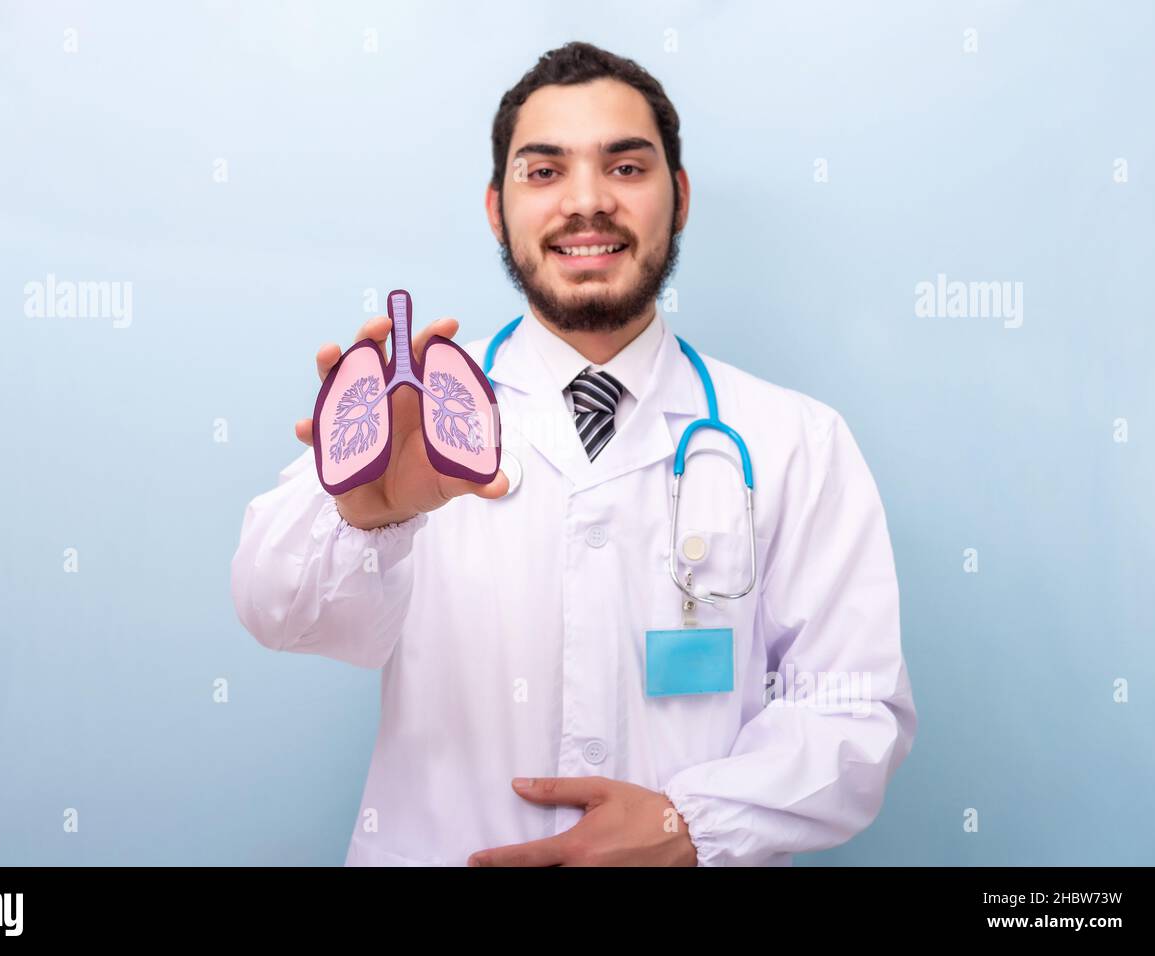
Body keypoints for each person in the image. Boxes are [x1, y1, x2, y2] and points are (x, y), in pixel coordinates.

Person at [231, 41, 916, 866]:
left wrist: (691, 824)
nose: (586, 204)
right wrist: (363, 517)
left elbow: (852, 713)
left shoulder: (794, 440)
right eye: (544, 171)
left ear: (680, 196)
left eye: (626, 168)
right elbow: (276, 611)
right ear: (497, 207)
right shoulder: (403, 416)